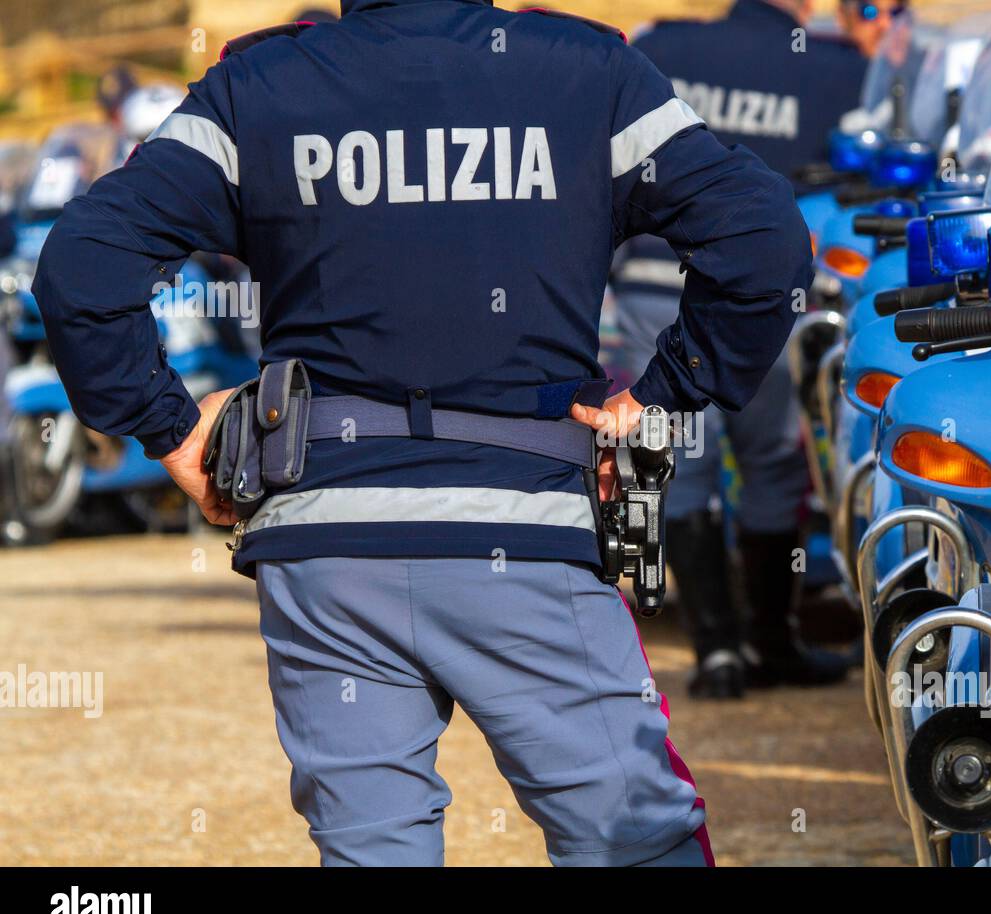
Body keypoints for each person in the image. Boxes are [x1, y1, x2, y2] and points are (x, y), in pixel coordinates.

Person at [32, 0, 811, 867]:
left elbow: (80, 266)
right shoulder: (585, 71)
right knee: (635, 841)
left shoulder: (258, 86)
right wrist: (660, 399)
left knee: (376, 855)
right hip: (529, 534)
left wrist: (172, 431)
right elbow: (764, 239)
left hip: (325, 550)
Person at [613, 0, 865, 699]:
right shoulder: (837, 67)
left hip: (651, 283)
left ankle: (717, 652)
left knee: (681, 465)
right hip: (764, 296)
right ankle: (772, 642)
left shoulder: (663, 45)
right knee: (775, 466)